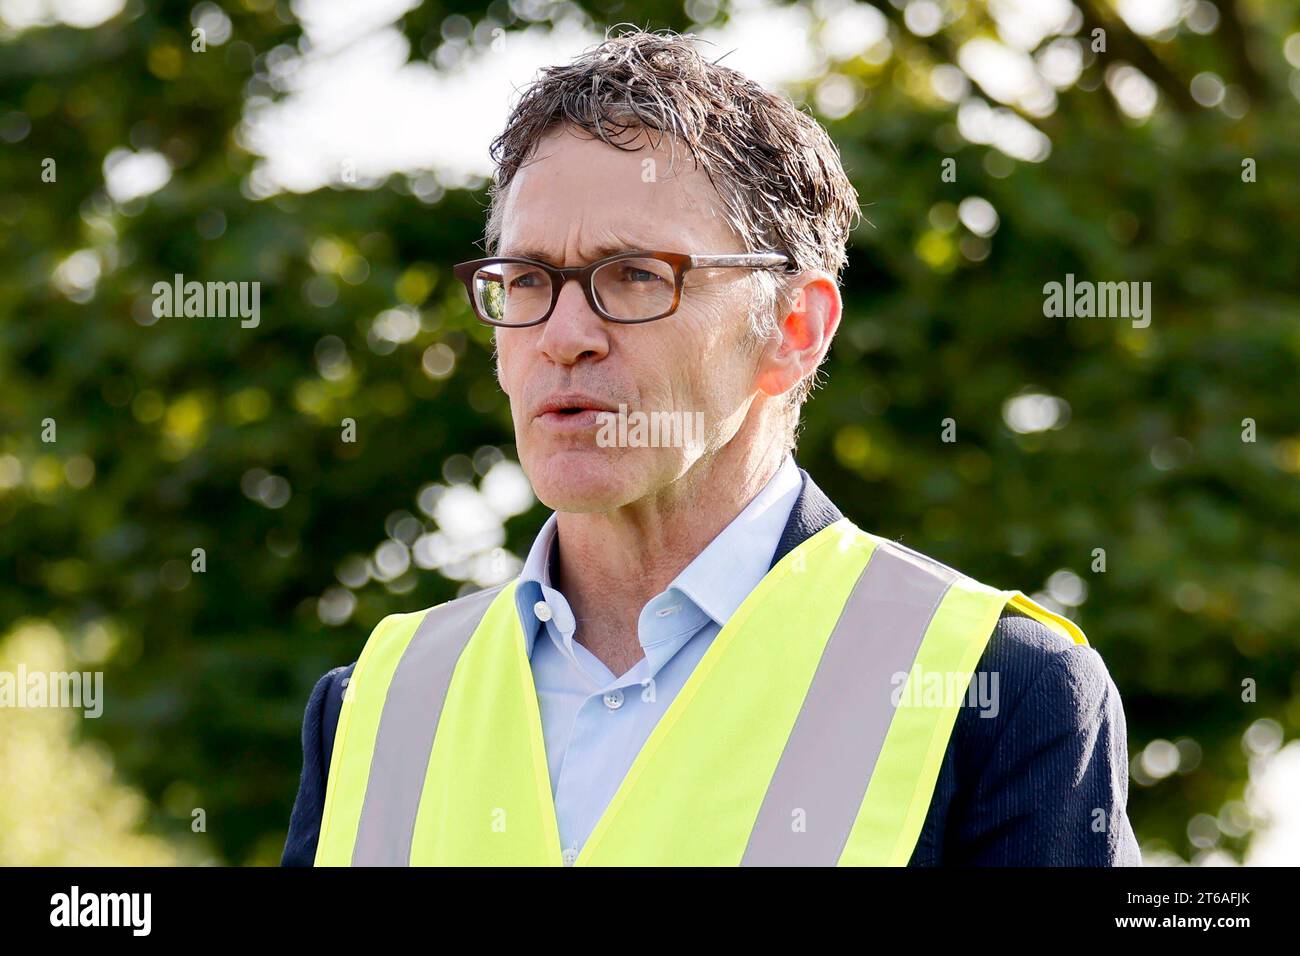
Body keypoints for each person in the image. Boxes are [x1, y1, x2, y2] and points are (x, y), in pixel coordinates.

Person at [283, 27, 1140, 867]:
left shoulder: (999, 692)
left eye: (636, 276)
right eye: (530, 280)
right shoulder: (375, 706)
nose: (564, 335)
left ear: (794, 329)